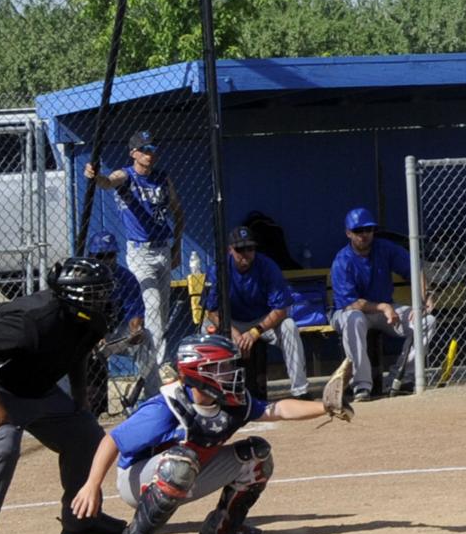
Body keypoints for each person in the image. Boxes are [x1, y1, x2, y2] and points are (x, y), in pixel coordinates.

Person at [70, 334, 346, 534]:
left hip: (190, 468)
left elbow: (278, 409)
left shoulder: (233, 401)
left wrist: (325, 406)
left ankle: (221, 529)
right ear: (198, 373)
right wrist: (91, 485)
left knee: (257, 455)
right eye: (222, 368)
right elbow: (113, 440)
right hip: (139, 480)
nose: (232, 374)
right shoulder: (166, 408)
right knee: (182, 461)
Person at [0, 257, 127, 534]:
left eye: (104, 291)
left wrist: (81, 399)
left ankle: (81, 520)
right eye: (95, 292)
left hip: (37, 386)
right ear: (73, 295)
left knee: (88, 436)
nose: (103, 298)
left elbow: (77, 352)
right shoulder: (33, 318)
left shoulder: (92, 317)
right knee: (2, 445)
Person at [84, 130, 185, 399]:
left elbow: (177, 210)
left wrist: (178, 246)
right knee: (150, 310)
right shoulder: (127, 175)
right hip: (141, 253)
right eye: (144, 149)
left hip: (163, 248)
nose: (149, 153)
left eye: (152, 148)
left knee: (160, 317)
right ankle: (151, 379)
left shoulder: (162, 178)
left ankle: (148, 372)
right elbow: (109, 181)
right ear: (134, 153)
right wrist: (97, 177)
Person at [330, 207, 436, 401]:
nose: (364, 235)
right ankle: (361, 385)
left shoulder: (384, 248)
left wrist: (424, 299)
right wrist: (383, 307)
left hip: (384, 310)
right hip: (349, 312)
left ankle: (400, 378)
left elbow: (415, 269)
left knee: (427, 321)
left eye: (368, 230)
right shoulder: (342, 260)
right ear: (348, 233)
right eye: (358, 231)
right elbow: (351, 303)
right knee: (354, 320)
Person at [203, 226, 310, 398]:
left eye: (250, 248)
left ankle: (300, 391)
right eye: (240, 249)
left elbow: (281, 309)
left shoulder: (267, 266)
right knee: (205, 329)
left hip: (262, 321)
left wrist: (255, 332)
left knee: (289, 326)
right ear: (230, 249)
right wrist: (234, 333)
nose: (245, 253)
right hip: (232, 322)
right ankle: (212, 392)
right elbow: (212, 311)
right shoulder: (219, 269)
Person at [85, 231, 147, 414]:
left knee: (147, 340)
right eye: (100, 256)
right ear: (91, 257)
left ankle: (148, 394)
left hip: (117, 332)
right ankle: (92, 407)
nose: (105, 261)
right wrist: (94, 335)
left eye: (110, 255)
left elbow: (134, 312)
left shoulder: (125, 278)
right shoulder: (85, 278)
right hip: (90, 332)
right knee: (88, 354)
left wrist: (136, 331)